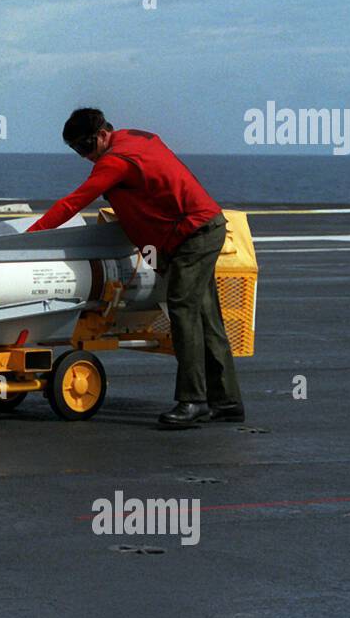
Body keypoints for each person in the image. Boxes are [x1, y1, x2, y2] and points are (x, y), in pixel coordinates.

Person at [27, 108, 244, 429]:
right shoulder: (136, 137)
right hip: (201, 228)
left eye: (85, 147)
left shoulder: (114, 162)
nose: (84, 156)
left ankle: (192, 401)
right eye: (76, 150)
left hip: (191, 235)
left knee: (183, 313)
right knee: (206, 318)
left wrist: (32, 238)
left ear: (102, 135)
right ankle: (227, 402)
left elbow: (74, 202)